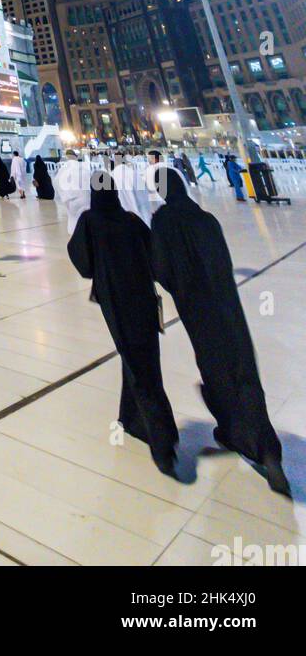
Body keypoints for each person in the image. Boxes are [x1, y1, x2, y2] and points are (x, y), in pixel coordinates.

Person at [151, 169, 289, 496]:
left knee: (215, 370)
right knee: (243, 371)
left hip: (196, 308)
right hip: (227, 304)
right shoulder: (207, 219)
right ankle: (267, 448)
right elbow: (223, 262)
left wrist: (178, 289)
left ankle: (231, 431)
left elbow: (161, 268)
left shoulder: (163, 221)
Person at [68, 169, 178, 477]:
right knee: (142, 359)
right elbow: (157, 257)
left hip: (117, 302)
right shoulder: (130, 220)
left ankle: (163, 443)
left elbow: (83, 264)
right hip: (144, 298)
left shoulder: (90, 221)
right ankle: (130, 418)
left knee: (138, 366)